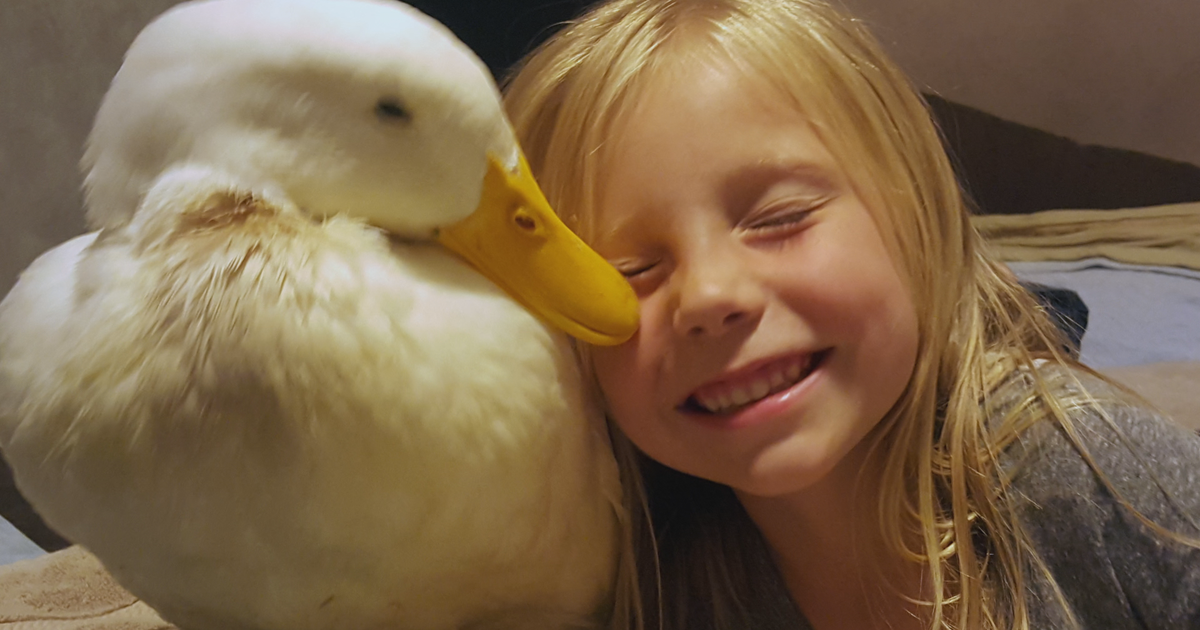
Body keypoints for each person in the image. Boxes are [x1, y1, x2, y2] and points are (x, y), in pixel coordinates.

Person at [500, 1, 1200, 629]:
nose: (708, 296)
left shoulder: (1102, 475)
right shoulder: (654, 580)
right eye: (628, 272)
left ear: (917, 211)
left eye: (779, 218)